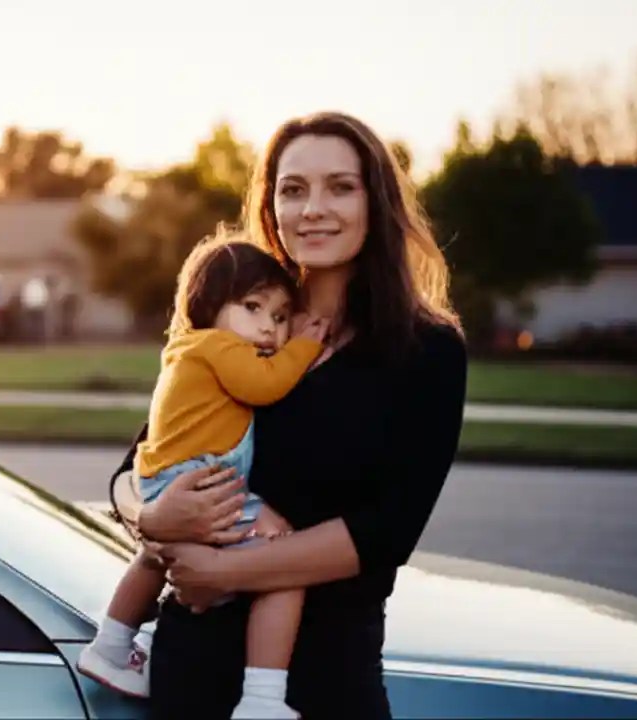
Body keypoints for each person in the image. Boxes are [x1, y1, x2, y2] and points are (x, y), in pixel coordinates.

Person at [113, 111, 468, 719]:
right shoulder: (242, 317)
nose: (312, 209)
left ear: (375, 201)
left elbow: (386, 532)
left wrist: (226, 569)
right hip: (189, 674)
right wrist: (152, 514)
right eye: (293, 189)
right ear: (271, 203)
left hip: (323, 684)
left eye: (340, 186)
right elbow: (136, 464)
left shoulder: (425, 349)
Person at [77, 238, 328, 719]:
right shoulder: (219, 347)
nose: (267, 327)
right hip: (195, 480)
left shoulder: (189, 349)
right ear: (208, 304)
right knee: (284, 567)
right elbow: (267, 385)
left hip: (165, 477)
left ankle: (111, 645)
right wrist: (303, 347)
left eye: (279, 316)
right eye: (252, 307)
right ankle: (262, 700)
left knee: (153, 555)